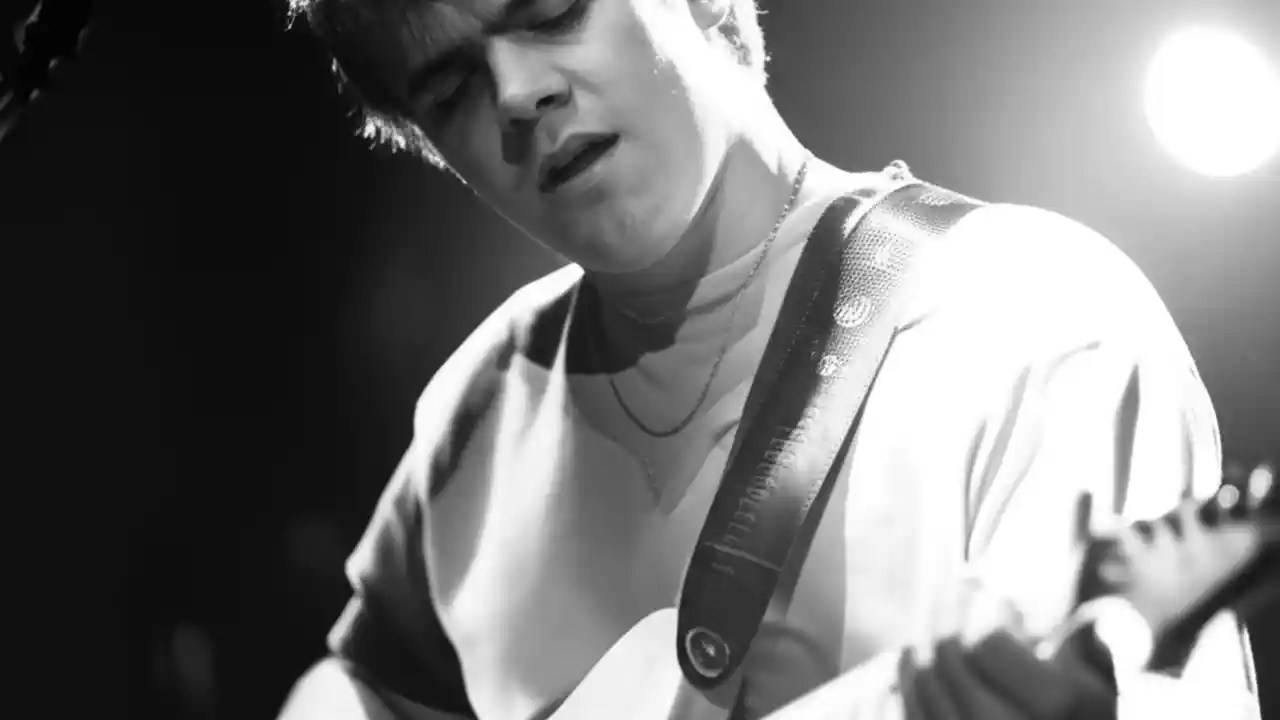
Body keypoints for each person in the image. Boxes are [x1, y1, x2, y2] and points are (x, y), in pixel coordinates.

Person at [276, 1, 1267, 718]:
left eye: (552, 12)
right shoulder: (482, 401)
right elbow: (361, 682)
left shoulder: (1033, 314)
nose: (516, 93)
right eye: (448, 90)